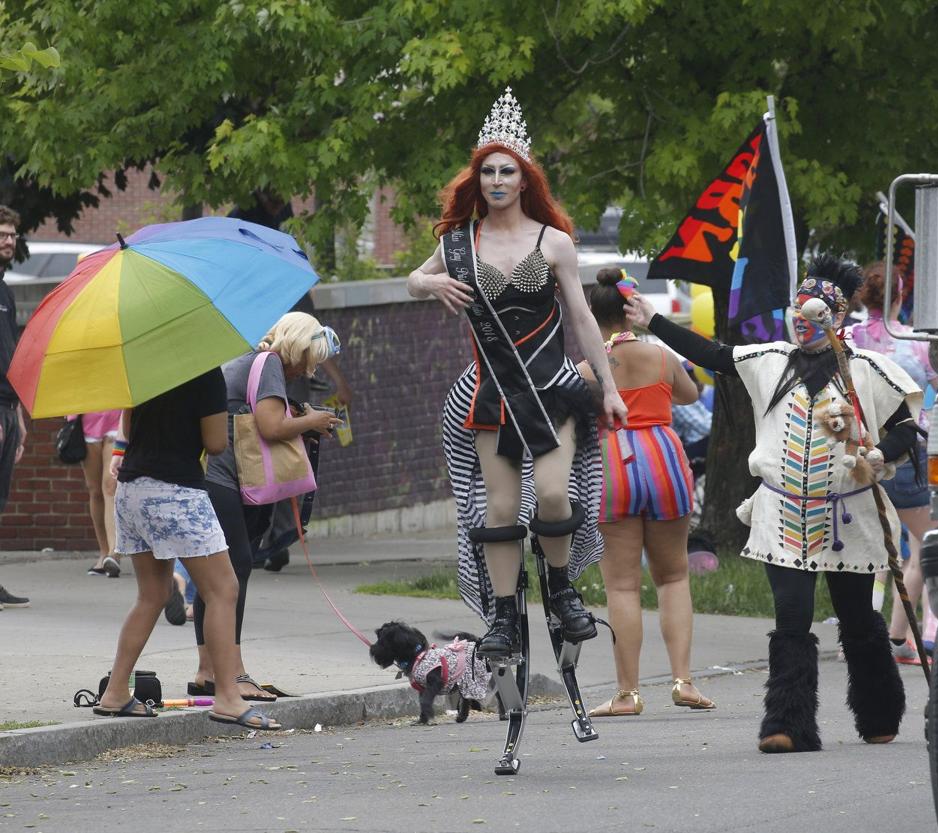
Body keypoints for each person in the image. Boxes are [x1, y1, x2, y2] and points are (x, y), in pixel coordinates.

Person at [625, 255, 921, 753]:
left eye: (814, 316)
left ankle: (878, 714)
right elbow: (715, 354)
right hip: (783, 513)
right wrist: (650, 320)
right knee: (791, 617)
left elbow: (907, 429)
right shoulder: (768, 361)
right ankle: (787, 724)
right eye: (796, 315)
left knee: (856, 618)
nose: (801, 324)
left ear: (839, 318)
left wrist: (876, 454)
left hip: (848, 516)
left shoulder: (867, 370)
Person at [407, 87, 627, 659]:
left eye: (507, 171)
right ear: (477, 181)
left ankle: (560, 587)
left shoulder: (553, 241)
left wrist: (607, 389)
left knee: (553, 497)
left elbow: (580, 316)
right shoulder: (459, 243)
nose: (497, 181)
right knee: (500, 509)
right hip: (491, 392)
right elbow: (413, 278)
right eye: (488, 172)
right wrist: (430, 283)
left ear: (525, 179)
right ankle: (505, 617)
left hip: (552, 389)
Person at [100, 368, 280, 729]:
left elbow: (129, 429)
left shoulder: (145, 368)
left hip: (132, 491)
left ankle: (116, 691)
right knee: (224, 589)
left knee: (151, 595)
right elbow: (215, 444)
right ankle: (228, 697)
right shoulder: (206, 375)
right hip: (177, 493)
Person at [577, 269, 713, 716]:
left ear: (592, 315)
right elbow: (691, 396)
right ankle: (684, 681)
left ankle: (628, 692)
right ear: (630, 312)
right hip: (664, 459)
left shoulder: (584, 369)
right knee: (673, 576)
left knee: (621, 585)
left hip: (612, 462)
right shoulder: (660, 357)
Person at [191, 312, 341, 700]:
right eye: (308, 360)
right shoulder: (271, 362)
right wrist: (314, 420)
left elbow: (254, 414)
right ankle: (234, 673)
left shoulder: (248, 358)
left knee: (216, 577)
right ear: (296, 345)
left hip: (214, 476)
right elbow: (271, 426)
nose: (305, 371)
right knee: (234, 571)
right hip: (226, 478)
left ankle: (208, 670)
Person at [229, 194, 354, 573]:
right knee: (279, 450)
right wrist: (314, 416)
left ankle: (272, 535)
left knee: (277, 451)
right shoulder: (274, 344)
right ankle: (271, 534)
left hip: (265, 382)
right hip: (267, 381)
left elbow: (311, 343)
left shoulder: (268, 290)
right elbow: (306, 344)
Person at [848, 262, 938, 664]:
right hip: (906, 450)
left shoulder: (848, 339)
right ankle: (927, 634)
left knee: (867, 548)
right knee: (928, 543)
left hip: (855, 450)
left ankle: (871, 635)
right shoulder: (916, 343)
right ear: (902, 295)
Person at [0, 205, 30, 611]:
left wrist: (18, 418)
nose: (8, 241)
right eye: (1, 234)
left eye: (11, 235)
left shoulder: (5, 291)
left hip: (7, 408)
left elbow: (11, 358)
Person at [79, 409, 123, 577]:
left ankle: (114, 553)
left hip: (117, 419)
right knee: (95, 490)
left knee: (110, 486)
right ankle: (104, 551)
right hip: (88, 420)